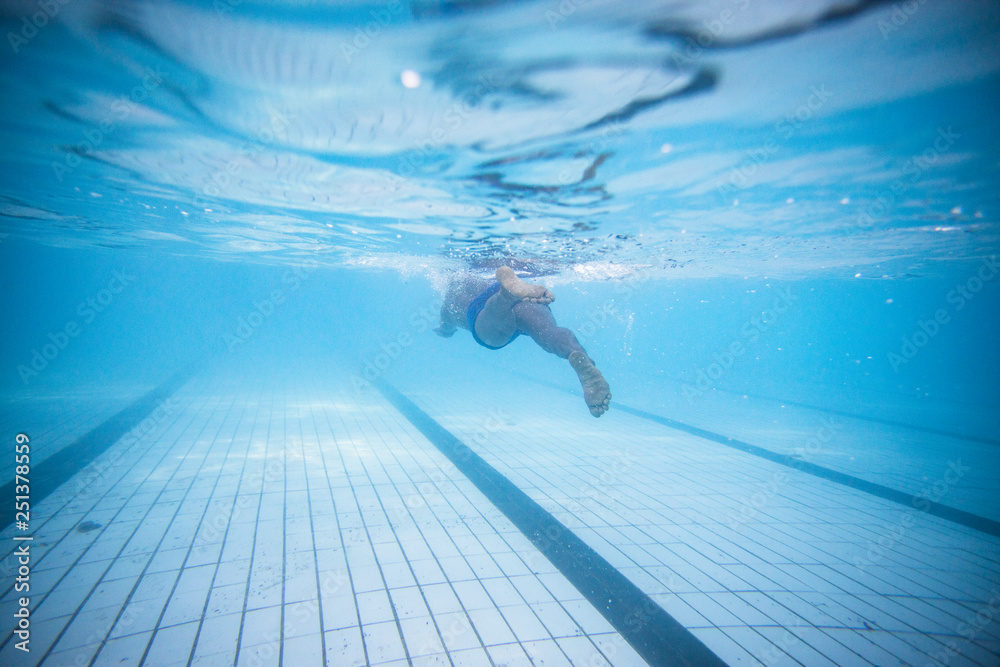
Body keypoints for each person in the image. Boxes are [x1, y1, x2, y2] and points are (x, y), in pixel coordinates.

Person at [434, 265, 612, 417]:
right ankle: (578, 355)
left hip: (488, 307)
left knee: (490, 337)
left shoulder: (452, 295)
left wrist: (444, 330)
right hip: (528, 295)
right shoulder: (469, 277)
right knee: (549, 332)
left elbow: (446, 325)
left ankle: (506, 296)